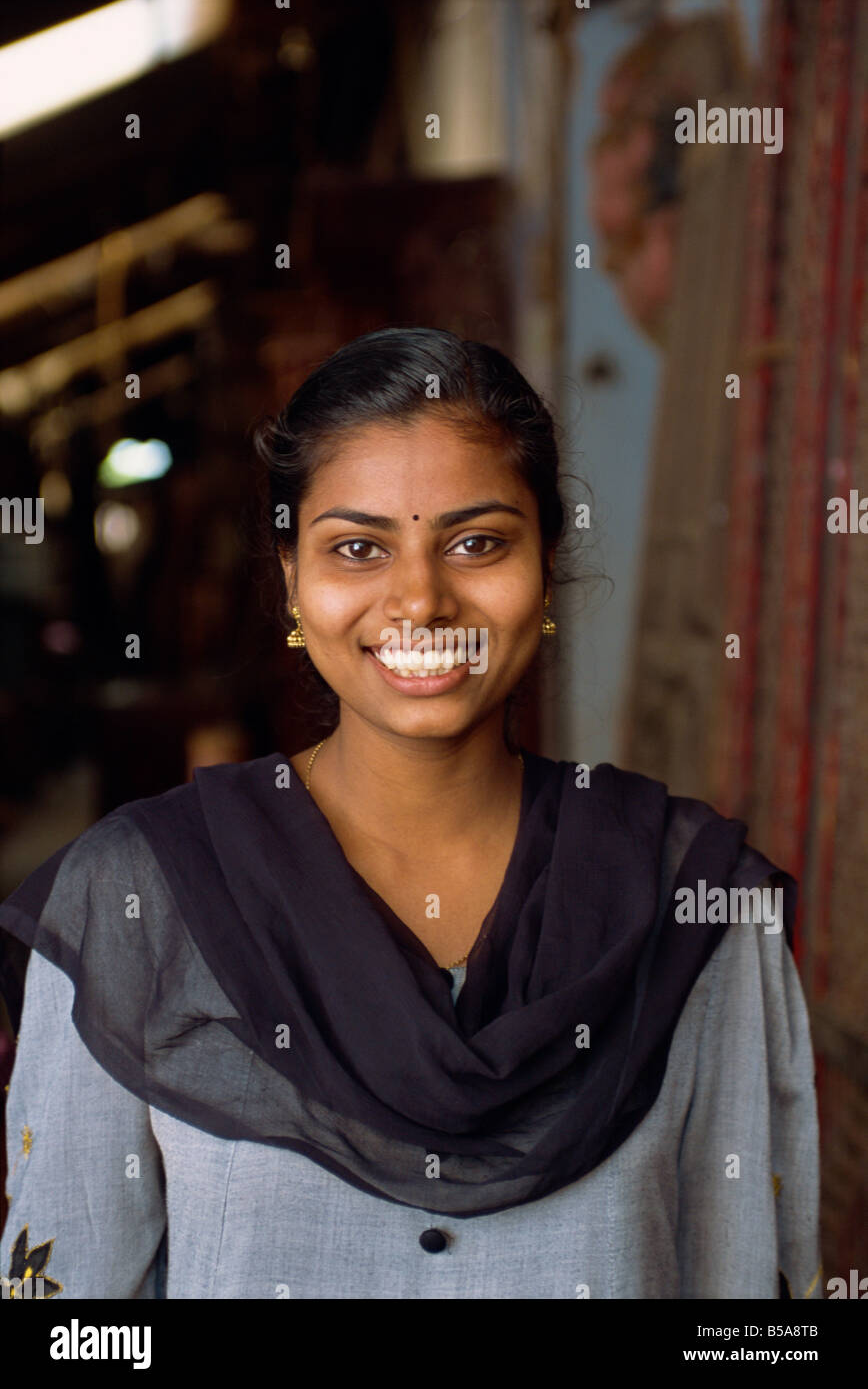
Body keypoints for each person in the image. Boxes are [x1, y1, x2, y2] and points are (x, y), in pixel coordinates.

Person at [0, 327, 821, 1299]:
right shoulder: (138, 902)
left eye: (476, 543)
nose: (420, 598)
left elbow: (749, 1302)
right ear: (293, 578)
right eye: (357, 548)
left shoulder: (694, 904)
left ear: (546, 563)